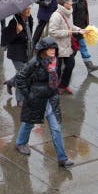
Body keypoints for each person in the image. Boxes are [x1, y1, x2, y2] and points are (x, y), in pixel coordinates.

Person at [14, 37, 75, 168]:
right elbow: (20, 78)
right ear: (43, 50)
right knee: (29, 123)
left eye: (54, 48)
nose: (53, 51)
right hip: (36, 99)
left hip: (51, 99)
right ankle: (20, 143)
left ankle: (62, 158)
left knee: (56, 128)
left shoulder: (55, 61)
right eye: (50, 48)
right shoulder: (34, 63)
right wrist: (28, 95)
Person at [48, 0, 86, 94]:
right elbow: (52, 31)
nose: (72, 3)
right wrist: (67, 32)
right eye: (69, 1)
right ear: (64, 3)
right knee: (58, 69)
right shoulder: (56, 16)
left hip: (67, 45)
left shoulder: (69, 12)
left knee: (70, 64)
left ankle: (63, 85)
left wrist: (79, 30)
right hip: (57, 46)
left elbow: (71, 26)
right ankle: (54, 87)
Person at [2, 6, 35, 105]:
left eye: (29, 8)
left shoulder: (30, 19)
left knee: (25, 72)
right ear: (20, 12)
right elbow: (9, 40)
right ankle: (20, 99)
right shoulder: (14, 23)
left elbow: (29, 35)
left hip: (27, 51)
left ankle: (11, 82)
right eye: (26, 9)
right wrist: (17, 32)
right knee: (22, 75)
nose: (29, 11)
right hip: (16, 53)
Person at [71, 0, 98, 72]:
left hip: (81, 26)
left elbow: (84, 12)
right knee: (81, 46)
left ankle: (68, 63)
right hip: (76, 27)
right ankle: (89, 65)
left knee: (75, 48)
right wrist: (74, 29)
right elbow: (72, 15)